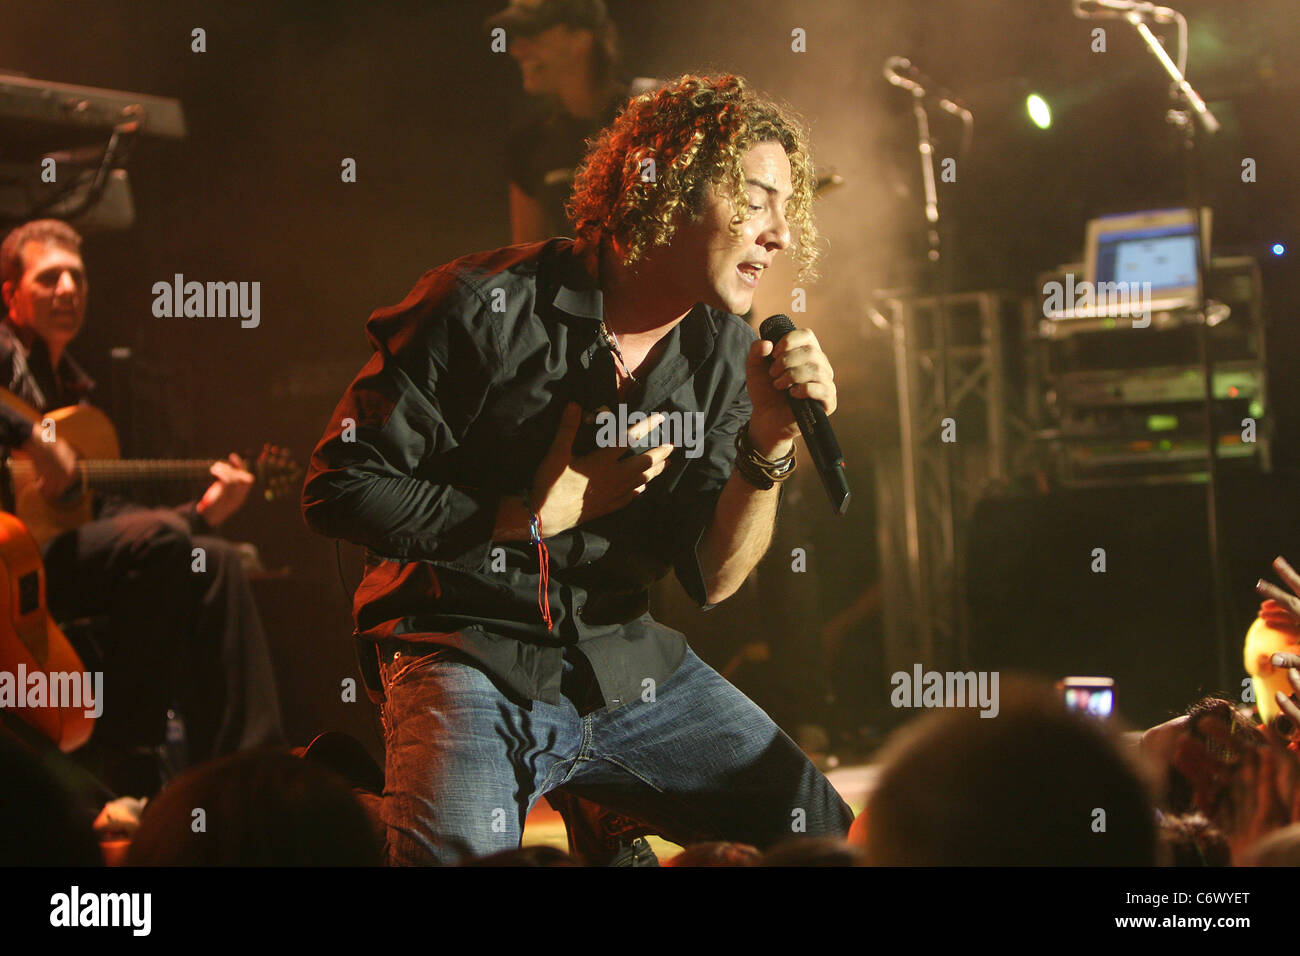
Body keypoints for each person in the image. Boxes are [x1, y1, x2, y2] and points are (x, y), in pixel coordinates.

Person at [303, 73, 854, 865]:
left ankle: (602, 798)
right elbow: (337, 486)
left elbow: (714, 577)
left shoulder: (727, 354)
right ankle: (347, 812)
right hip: (466, 649)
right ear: (670, 184)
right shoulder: (478, 304)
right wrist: (525, 516)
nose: (781, 235)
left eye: (786, 210)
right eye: (757, 200)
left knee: (818, 835)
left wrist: (767, 446)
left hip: (621, 662)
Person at [0, 218, 284, 792]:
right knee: (165, 542)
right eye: (48, 278)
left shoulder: (77, 395)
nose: (67, 291)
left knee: (215, 556)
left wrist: (200, 514)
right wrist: (31, 436)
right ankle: (129, 762)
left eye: (76, 278)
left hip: (56, 556)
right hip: (11, 563)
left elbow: (101, 518)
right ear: (10, 294)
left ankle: (246, 773)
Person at [489, 0, 657, 243]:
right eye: (514, 36)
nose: (515, 49)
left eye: (532, 33)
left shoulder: (652, 115)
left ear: (581, 37)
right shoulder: (528, 143)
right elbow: (527, 261)